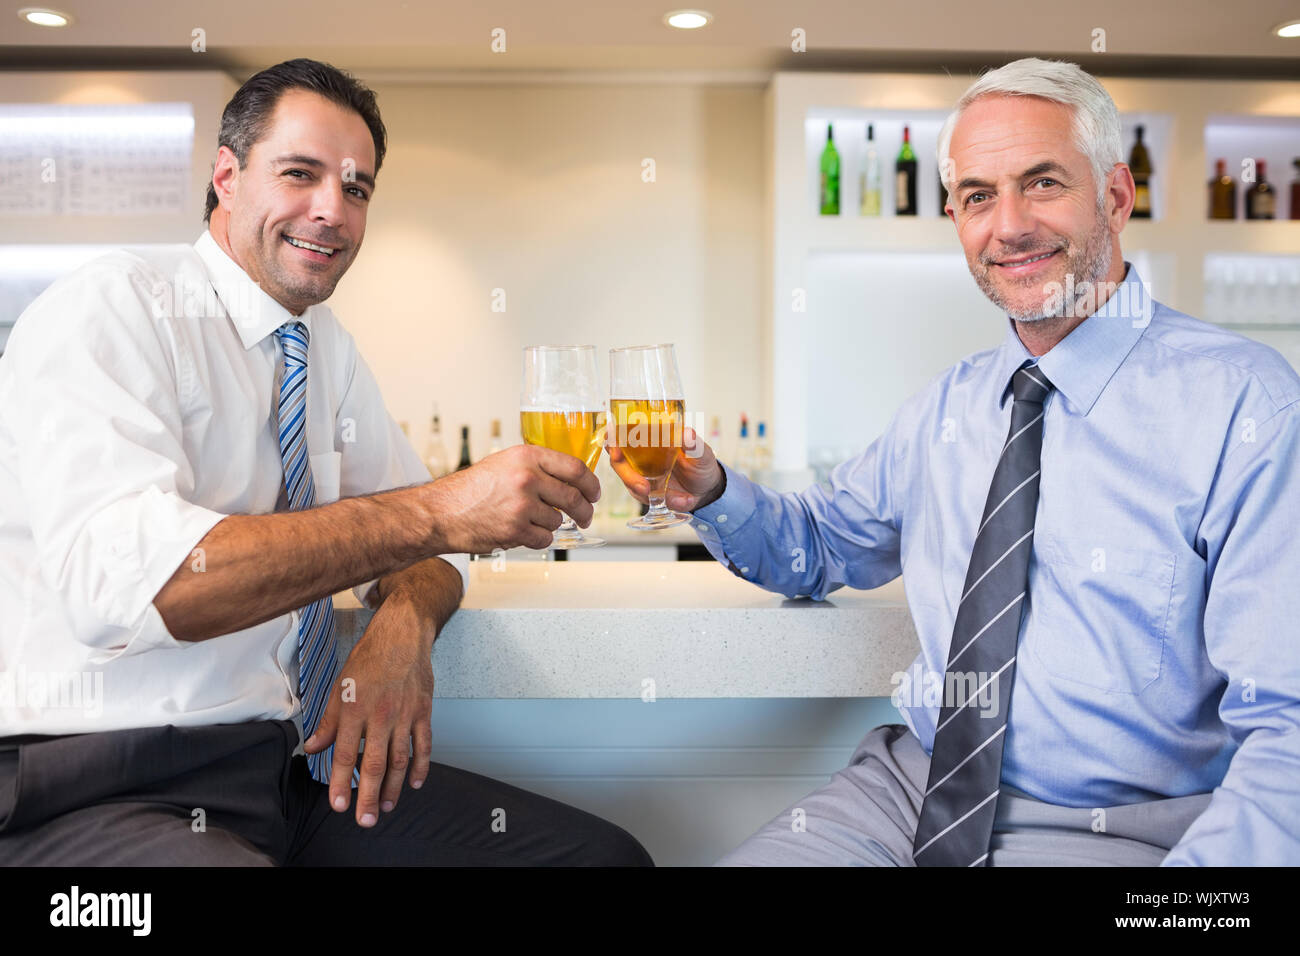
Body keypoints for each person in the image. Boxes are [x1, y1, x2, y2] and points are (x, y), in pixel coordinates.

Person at [609, 57, 1299, 866]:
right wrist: (714, 492)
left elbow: (1289, 730)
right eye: (978, 196)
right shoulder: (948, 407)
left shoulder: (1248, 407)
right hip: (909, 792)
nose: (1008, 225)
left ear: (1116, 196)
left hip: (1118, 829)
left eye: (1042, 183)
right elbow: (820, 546)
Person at [0, 58, 652, 867]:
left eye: (357, 188)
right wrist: (439, 511)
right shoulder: (112, 308)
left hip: (283, 772)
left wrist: (401, 629)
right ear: (227, 177)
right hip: (92, 788)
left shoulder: (321, 352)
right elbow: (148, 589)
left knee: (599, 861)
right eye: (300, 174)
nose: (331, 211)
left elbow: (433, 545)